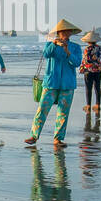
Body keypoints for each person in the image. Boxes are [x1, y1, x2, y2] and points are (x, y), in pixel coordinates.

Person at [26, 19, 84, 147]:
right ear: (58, 32)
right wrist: (54, 44)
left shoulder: (75, 47)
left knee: (63, 112)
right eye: (62, 31)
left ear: (70, 33)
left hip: (67, 84)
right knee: (42, 110)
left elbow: (77, 63)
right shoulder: (50, 45)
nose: (65, 34)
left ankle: (58, 139)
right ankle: (34, 136)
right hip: (51, 83)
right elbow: (46, 54)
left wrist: (67, 51)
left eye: (67, 31)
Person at [79, 30, 101, 112]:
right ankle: (98, 104)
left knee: (88, 88)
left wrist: (85, 67)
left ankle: (88, 105)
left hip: (88, 71)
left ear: (88, 41)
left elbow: (86, 60)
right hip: (98, 71)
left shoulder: (87, 49)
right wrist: (100, 65)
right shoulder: (99, 48)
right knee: (97, 87)